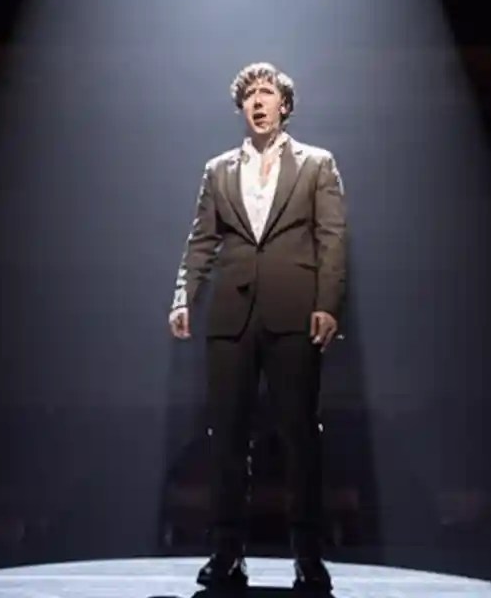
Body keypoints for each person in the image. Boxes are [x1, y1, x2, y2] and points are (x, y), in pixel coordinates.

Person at [169, 61, 348, 590]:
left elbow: (332, 239)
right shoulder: (218, 169)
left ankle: (308, 555)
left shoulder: (317, 163)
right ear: (241, 108)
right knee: (226, 439)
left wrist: (328, 302)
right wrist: (184, 297)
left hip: (296, 312)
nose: (258, 100)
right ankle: (227, 553)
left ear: (284, 105)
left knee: (300, 439)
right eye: (250, 94)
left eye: (267, 92)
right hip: (231, 317)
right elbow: (201, 241)